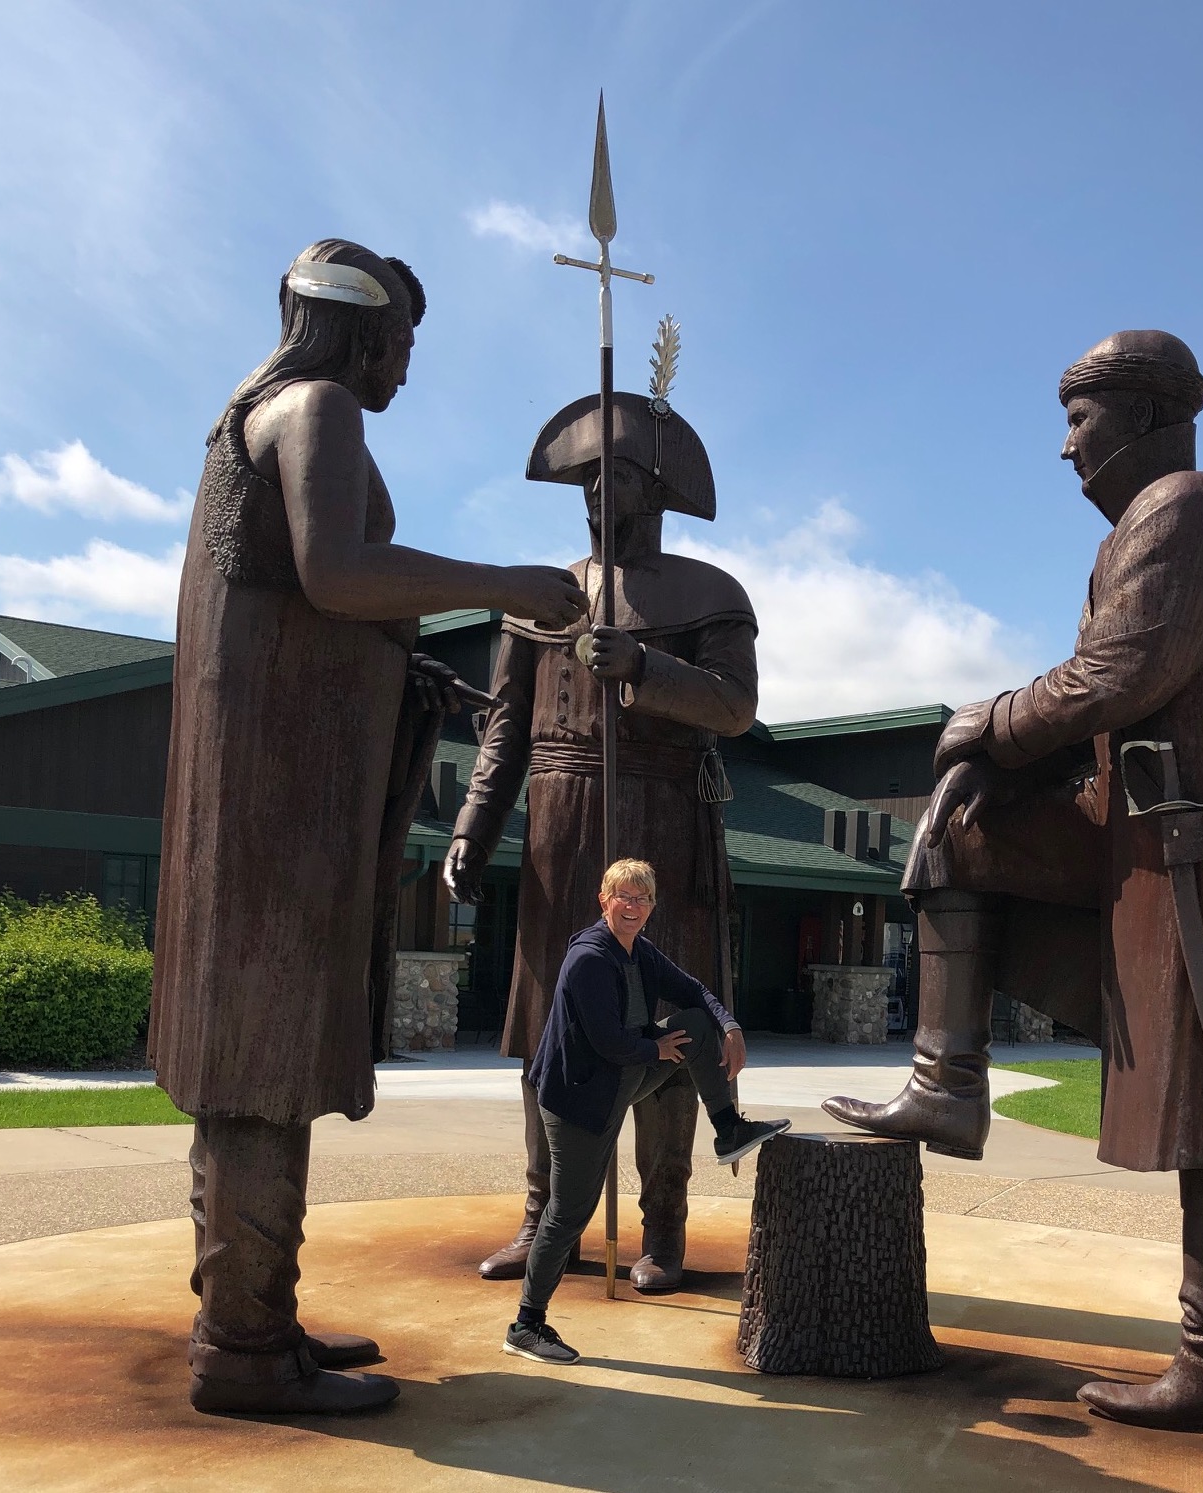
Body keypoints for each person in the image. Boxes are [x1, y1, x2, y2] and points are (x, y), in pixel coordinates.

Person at [823, 331, 1203, 1437]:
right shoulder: (1149, 528)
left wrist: (981, 721)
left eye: (1079, 419)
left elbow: (1117, 673)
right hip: (1138, 835)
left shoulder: (1189, 508)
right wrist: (992, 762)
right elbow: (1109, 703)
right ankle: (947, 1082)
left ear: (1142, 416)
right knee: (956, 835)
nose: (1065, 448)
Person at [149, 239, 586, 1416]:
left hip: (257, 792)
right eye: (405, 340)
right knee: (262, 1058)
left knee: (261, 1066)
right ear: (364, 330)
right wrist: (505, 583)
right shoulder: (319, 405)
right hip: (275, 808)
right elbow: (336, 573)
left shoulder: (255, 408)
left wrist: (402, 677)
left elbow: (302, 603)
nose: (406, 366)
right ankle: (241, 1351)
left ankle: (256, 1317)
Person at [446, 371, 757, 1293]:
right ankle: (548, 1218)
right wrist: (474, 820)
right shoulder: (542, 595)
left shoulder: (710, 590)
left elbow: (736, 705)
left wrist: (648, 666)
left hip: (664, 823)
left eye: (614, 476)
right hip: (561, 826)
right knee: (554, 1030)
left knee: (671, 1029)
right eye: (584, 477)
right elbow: (504, 725)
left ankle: (663, 1227)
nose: (593, 494)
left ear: (655, 490)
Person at [503, 859, 789, 1365]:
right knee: (568, 1213)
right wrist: (656, 1048)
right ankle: (526, 1325)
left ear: (652, 907)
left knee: (699, 1025)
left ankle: (728, 1130)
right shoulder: (589, 958)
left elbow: (693, 990)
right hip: (580, 1097)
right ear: (604, 900)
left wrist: (730, 1025)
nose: (632, 907)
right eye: (623, 897)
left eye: (642, 899)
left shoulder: (639, 951)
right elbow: (608, 1042)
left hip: (622, 1074)